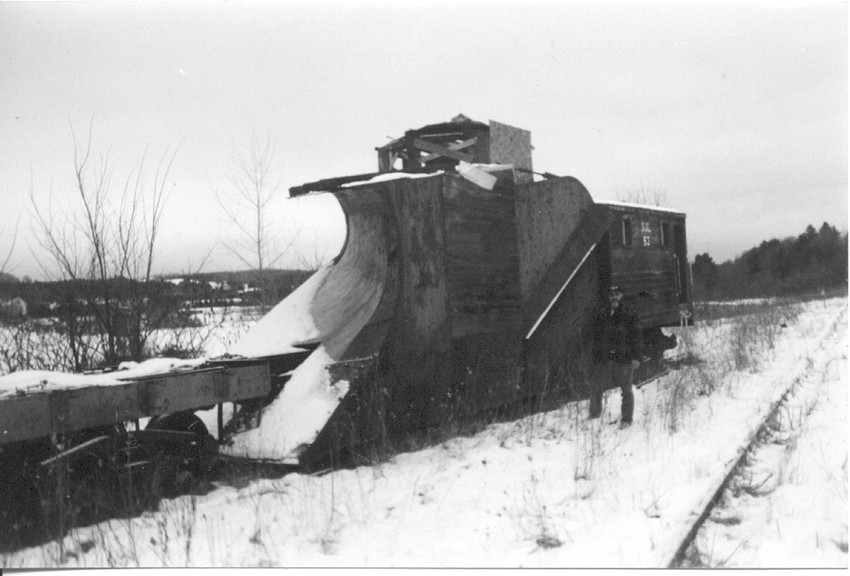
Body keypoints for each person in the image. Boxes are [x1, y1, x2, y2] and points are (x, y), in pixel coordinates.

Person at [590, 286, 642, 428]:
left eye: (617, 294)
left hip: (624, 358)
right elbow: (598, 338)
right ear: (609, 297)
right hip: (606, 358)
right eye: (611, 294)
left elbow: (637, 337)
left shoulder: (630, 314)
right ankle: (594, 414)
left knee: (626, 390)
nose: (614, 297)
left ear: (621, 296)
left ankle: (626, 420)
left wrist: (636, 358)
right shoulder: (603, 314)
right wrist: (596, 358)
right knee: (595, 385)